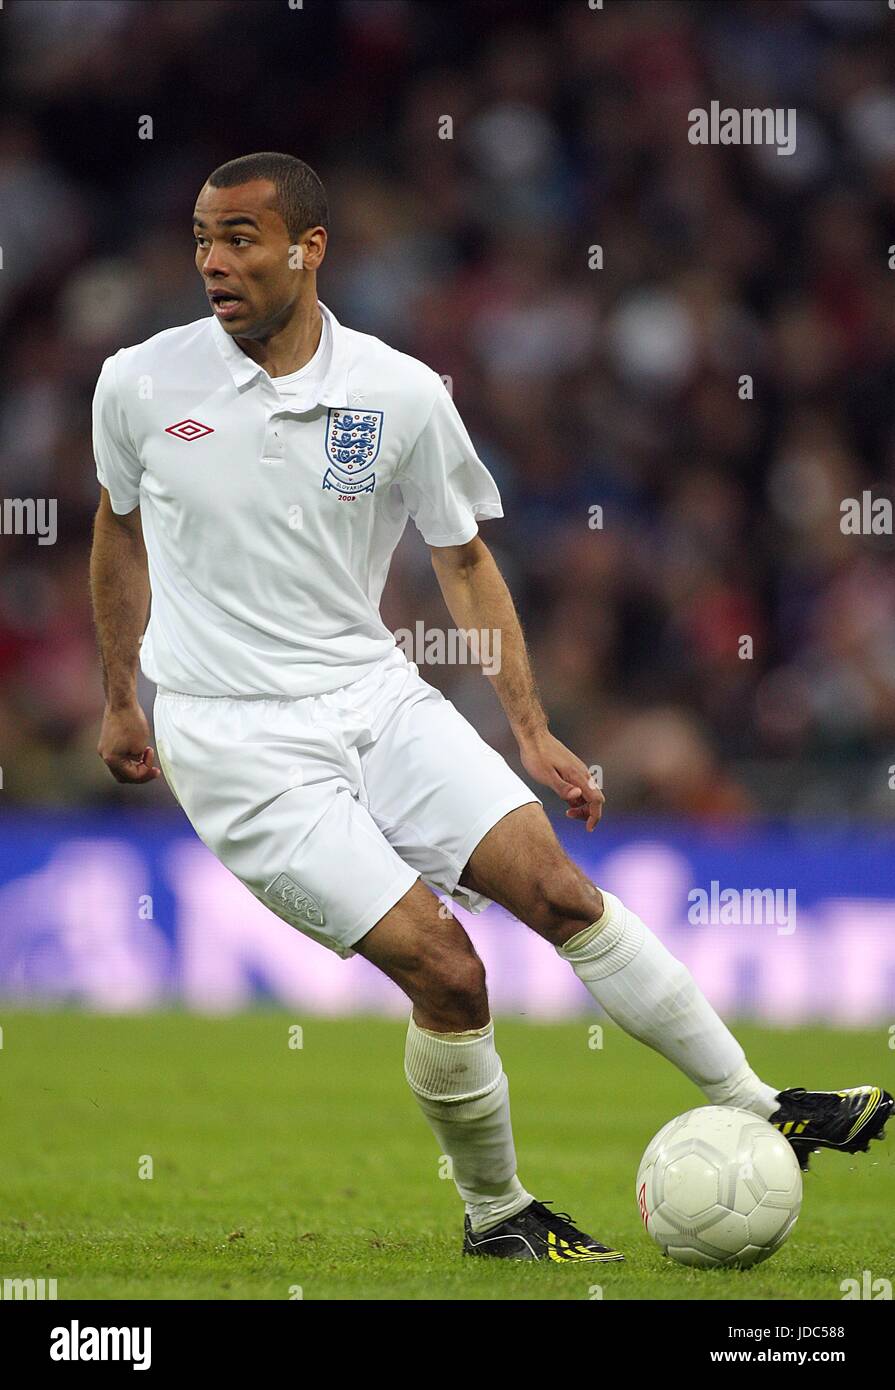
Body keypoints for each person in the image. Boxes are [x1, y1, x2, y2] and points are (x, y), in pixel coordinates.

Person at [90, 152, 891, 1263]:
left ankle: (763, 1104)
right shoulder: (138, 383)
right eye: (200, 238)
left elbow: (464, 562)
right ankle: (496, 1213)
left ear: (308, 248)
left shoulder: (403, 393)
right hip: (233, 735)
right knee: (448, 968)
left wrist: (529, 727)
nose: (212, 262)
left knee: (563, 891)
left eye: (239, 238)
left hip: (373, 693)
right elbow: (117, 528)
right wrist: (121, 696)